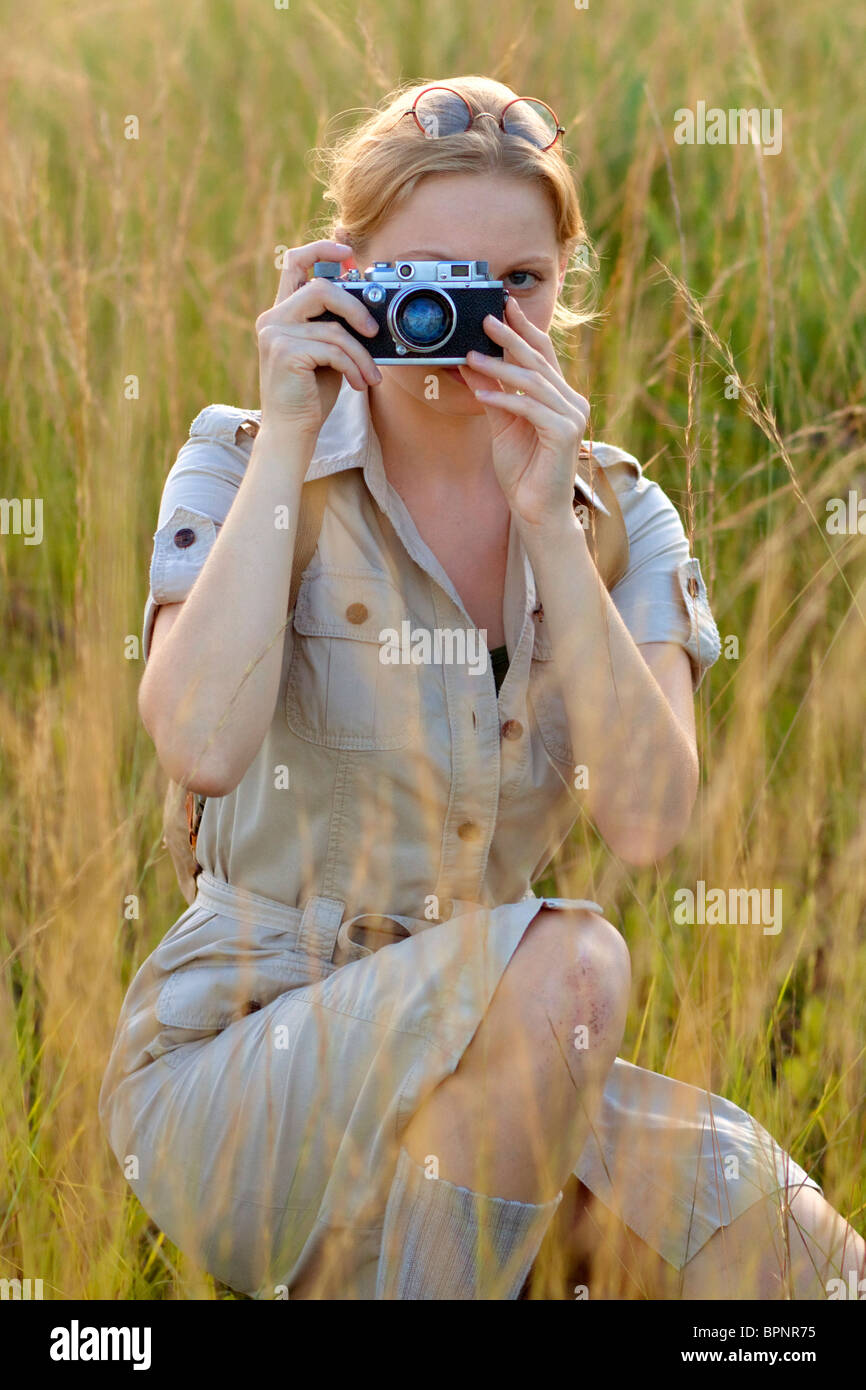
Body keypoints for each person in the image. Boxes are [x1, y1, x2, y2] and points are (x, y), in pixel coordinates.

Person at [99, 75, 865, 1300]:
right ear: (346, 278)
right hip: (253, 1062)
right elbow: (197, 742)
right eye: (427, 281)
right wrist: (295, 434)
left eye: (513, 286)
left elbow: (650, 822)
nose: (464, 320)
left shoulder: (619, 516)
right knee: (575, 962)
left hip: (502, 1046)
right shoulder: (245, 458)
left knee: (810, 1275)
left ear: (564, 287)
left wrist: (550, 530)